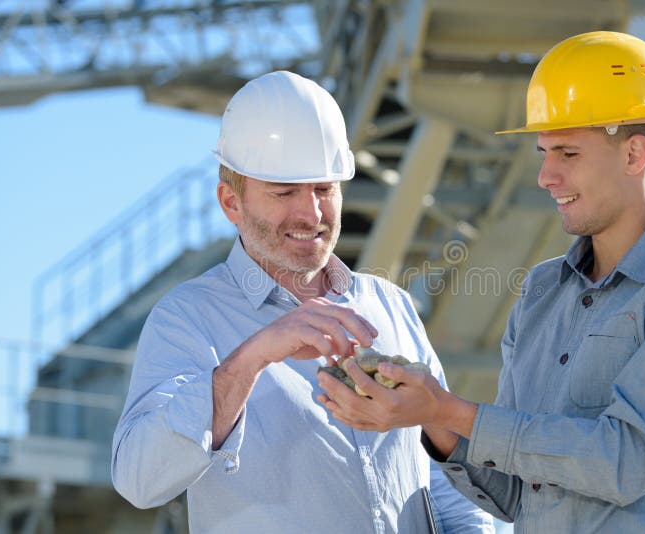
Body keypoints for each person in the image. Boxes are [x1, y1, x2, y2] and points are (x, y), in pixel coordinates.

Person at [318, 31, 645, 533]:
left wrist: (451, 408)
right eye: (543, 152)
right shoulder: (541, 293)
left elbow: (623, 463)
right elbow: (518, 493)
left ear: (634, 155)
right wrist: (428, 417)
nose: (546, 175)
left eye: (568, 154)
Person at [111, 70, 494, 533]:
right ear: (231, 203)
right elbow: (139, 480)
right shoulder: (187, 319)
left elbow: (443, 480)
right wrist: (255, 355)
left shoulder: (391, 306)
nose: (311, 214)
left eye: (323, 189)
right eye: (285, 192)